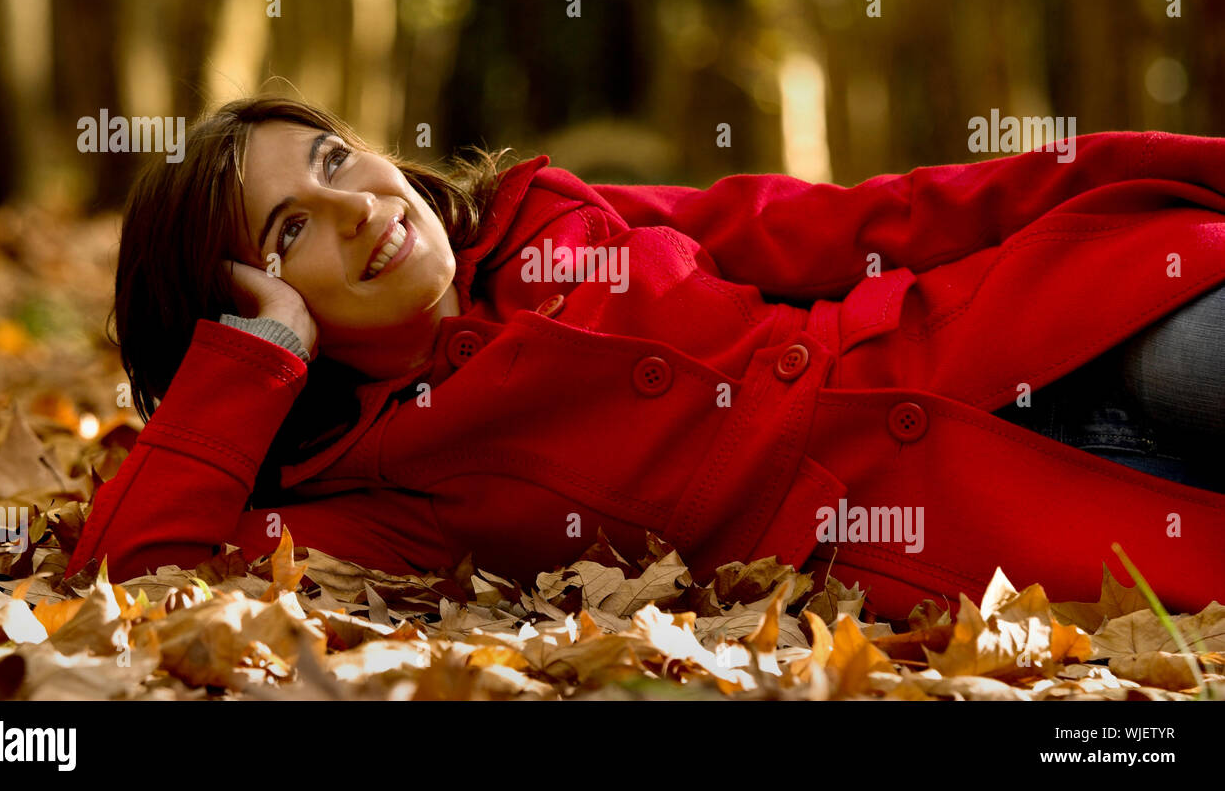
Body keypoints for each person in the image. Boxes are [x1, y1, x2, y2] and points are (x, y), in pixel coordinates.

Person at [66, 96, 1225, 620]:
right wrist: (252, 358)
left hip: (1031, 321)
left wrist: (1181, 161)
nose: (354, 205)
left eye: (331, 159)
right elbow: (132, 578)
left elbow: (874, 216)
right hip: (991, 528)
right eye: (288, 230)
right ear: (257, 308)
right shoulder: (377, 482)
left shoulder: (551, 213)